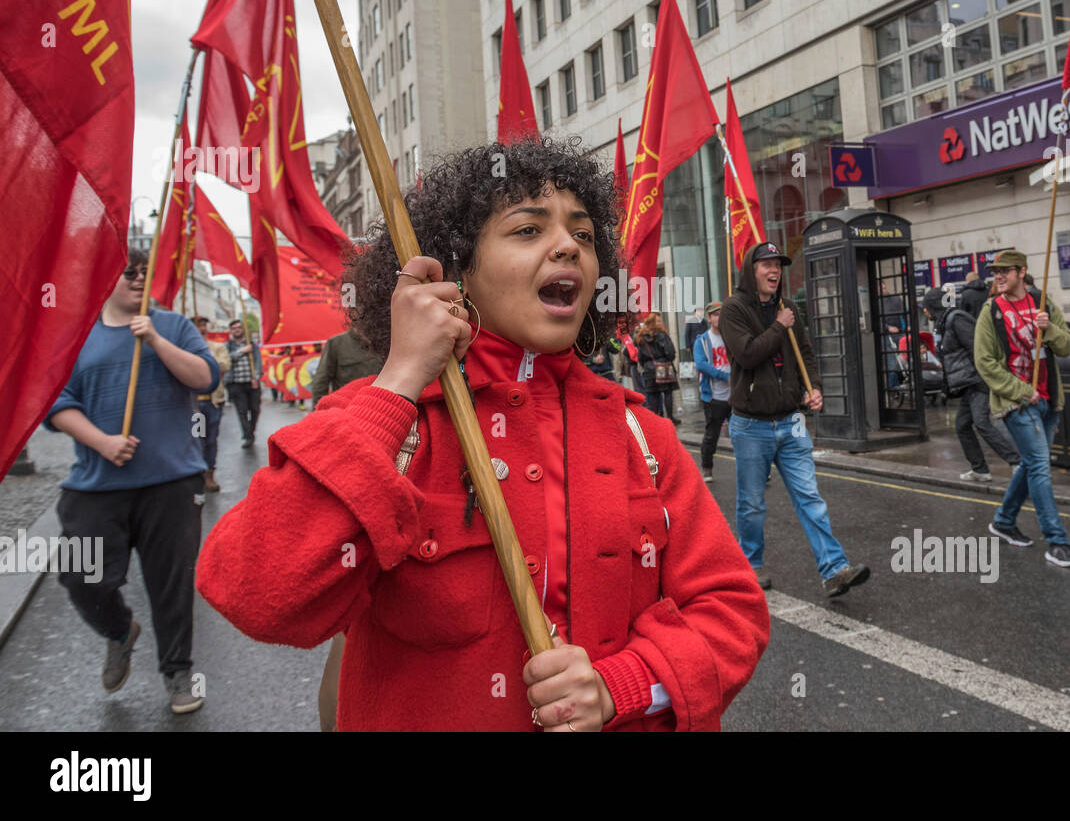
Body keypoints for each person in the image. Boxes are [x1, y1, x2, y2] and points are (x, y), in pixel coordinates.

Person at [195, 139, 769, 731]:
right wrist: (399, 379)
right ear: (456, 269)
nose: (568, 245)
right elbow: (255, 592)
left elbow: (732, 612)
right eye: (527, 230)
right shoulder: (392, 424)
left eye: (585, 235)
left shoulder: (642, 436)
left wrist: (620, 686)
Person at [44, 249, 220, 714]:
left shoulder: (174, 325)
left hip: (172, 482)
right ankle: (120, 631)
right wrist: (101, 441)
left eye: (145, 272)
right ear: (106, 279)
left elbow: (205, 377)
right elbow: (57, 402)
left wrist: (158, 341)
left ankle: (178, 673)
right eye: (129, 272)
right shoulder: (78, 336)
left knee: (172, 585)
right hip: (96, 484)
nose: (140, 278)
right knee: (82, 576)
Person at [721, 242, 870, 596]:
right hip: (751, 425)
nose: (775, 270)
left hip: (791, 422)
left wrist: (812, 386)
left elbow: (805, 353)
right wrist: (777, 326)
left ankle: (835, 569)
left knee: (810, 498)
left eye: (778, 264)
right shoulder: (734, 309)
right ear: (751, 270)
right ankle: (750, 566)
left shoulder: (787, 308)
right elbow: (746, 354)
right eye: (767, 264)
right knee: (753, 504)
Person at [974, 249, 1070, 568]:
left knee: (1030, 464)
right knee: (1038, 466)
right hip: (1017, 402)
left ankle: (1004, 520)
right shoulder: (991, 311)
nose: (999, 276)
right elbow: (985, 363)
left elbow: (1066, 347)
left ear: (1022, 272)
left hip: (1049, 399)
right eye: (996, 271)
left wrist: (1048, 328)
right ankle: (1058, 542)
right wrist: (1022, 391)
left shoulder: (1043, 304)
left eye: (1005, 270)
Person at [924, 287, 1020, 483]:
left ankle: (1017, 462)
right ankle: (980, 470)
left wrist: (985, 377)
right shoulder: (945, 323)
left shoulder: (956, 319)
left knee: (981, 422)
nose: (925, 312)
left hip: (978, 379)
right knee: (962, 425)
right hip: (968, 382)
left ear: (933, 307)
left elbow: (977, 348)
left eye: (926, 308)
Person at [693, 301, 731, 484]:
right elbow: (701, 364)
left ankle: (757, 469)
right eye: (715, 314)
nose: (719, 317)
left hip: (735, 395)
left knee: (744, 434)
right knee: (712, 435)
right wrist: (724, 376)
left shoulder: (732, 336)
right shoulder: (702, 340)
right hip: (714, 396)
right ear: (709, 318)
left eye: (722, 314)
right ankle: (707, 467)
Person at [192, 316, 231, 492]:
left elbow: (225, 365)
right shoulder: (185, 349)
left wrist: (203, 358)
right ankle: (196, 473)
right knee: (197, 438)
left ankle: (209, 474)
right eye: (198, 325)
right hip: (195, 406)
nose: (202, 328)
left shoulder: (217, 347)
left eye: (204, 325)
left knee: (211, 439)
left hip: (213, 402)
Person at [311, 327, 385, 408]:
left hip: (379, 409)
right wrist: (321, 413)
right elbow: (321, 381)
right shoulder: (336, 343)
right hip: (347, 410)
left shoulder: (386, 342)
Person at [635, 312, 680, 424]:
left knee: (653, 395)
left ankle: (656, 420)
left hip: (649, 369)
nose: (661, 323)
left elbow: (640, 357)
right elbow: (671, 353)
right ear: (653, 323)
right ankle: (670, 418)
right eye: (659, 321)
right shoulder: (662, 335)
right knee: (668, 393)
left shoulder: (641, 337)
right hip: (664, 367)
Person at [225, 318, 261, 447]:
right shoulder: (228, 346)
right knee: (242, 410)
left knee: (255, 409)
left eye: (239, 327)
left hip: (252, 383)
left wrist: (256, 377)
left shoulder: (252, 344)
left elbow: (258, 361)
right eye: (234, 328)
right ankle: (248, 436)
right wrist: (242, 351)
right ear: (231, 331)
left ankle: (250, 431)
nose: (237, 330)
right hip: (236, 384)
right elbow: (226, 360)